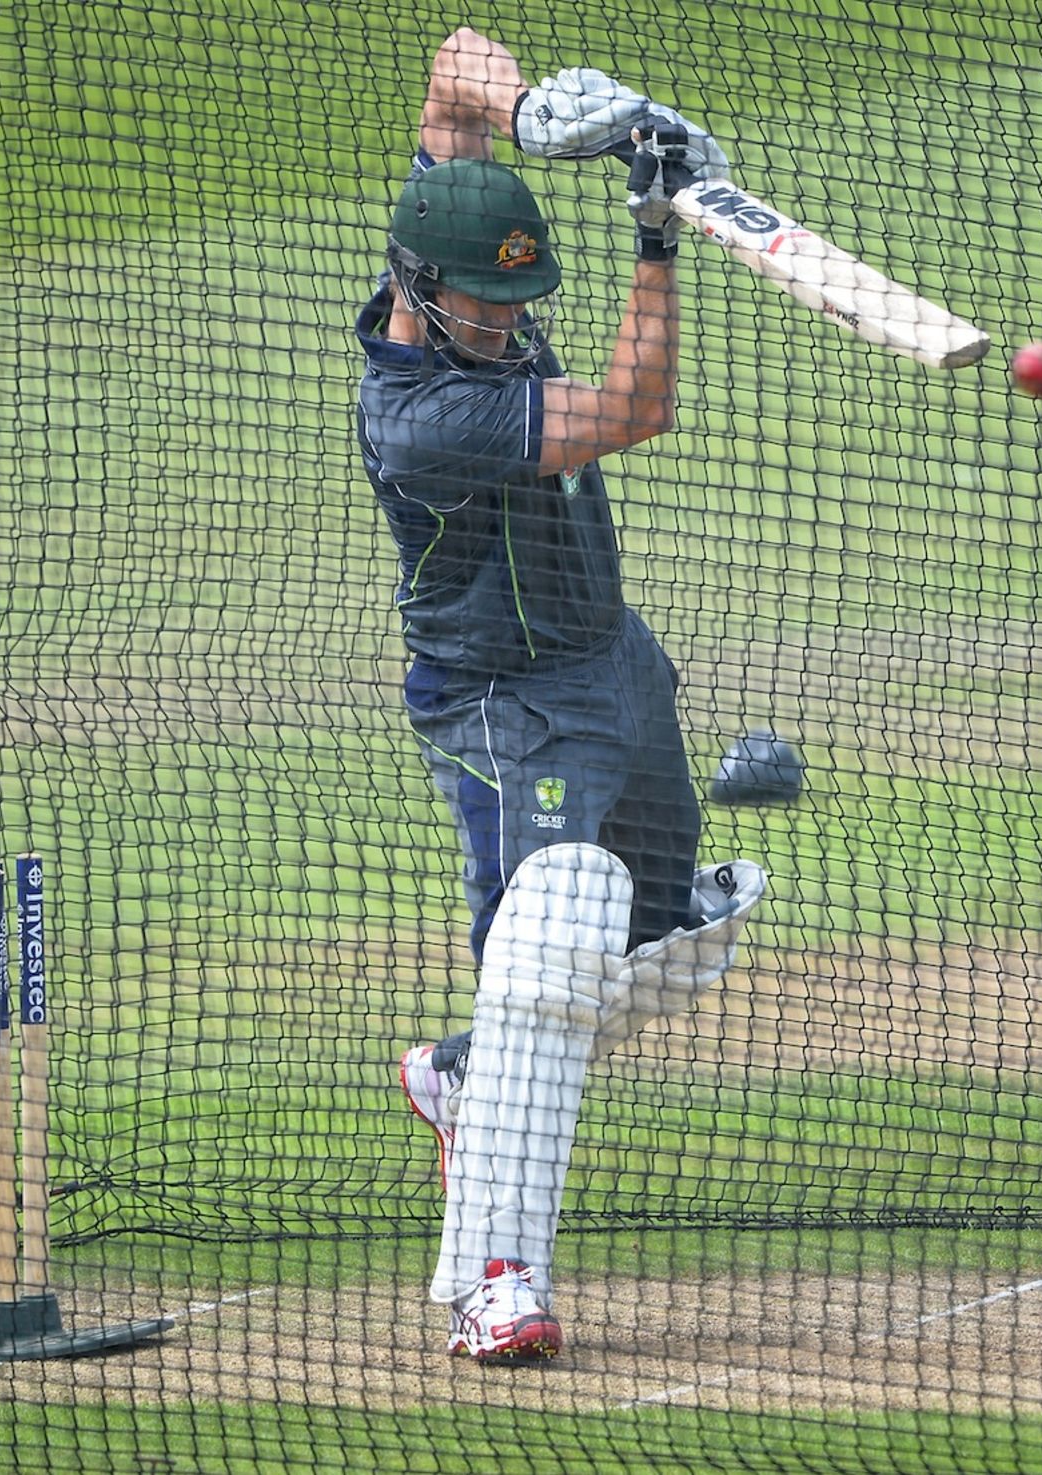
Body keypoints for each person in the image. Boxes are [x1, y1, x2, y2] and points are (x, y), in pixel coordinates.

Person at [355, 28, 766, 1362]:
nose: (507, 320)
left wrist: (541, 114)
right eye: (484, 305)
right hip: (504, 705)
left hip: (614, 664)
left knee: (671, 942)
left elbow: (450, 65)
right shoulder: (423, 417)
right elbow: (638, 406)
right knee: (554, 942)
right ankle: (498, 1280)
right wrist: (656, 235)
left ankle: (462, 1074)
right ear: (422, 287)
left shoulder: (449, 242)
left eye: (518, 298)